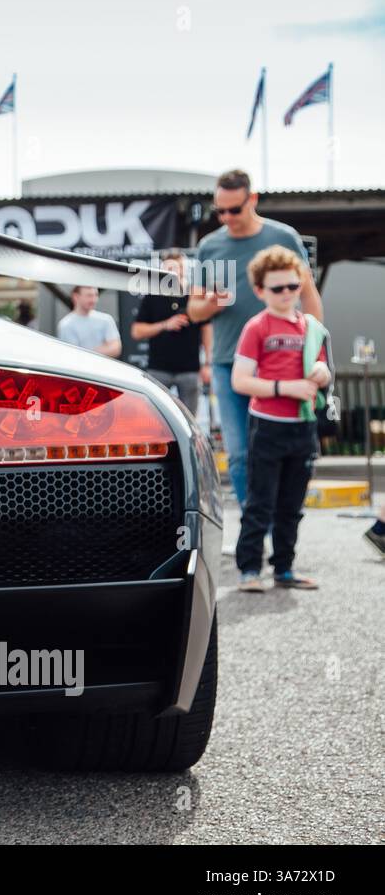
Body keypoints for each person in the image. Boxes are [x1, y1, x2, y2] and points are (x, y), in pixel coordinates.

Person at [188, 169, 323, 509]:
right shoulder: (210, 246)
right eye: (220, 211)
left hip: (282, 360)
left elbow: (308, 295)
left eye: (235, 209)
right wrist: (209, 304)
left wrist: (316, 350)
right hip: (228, 361)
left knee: (281, 450)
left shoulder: (283, 237)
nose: (227, 218)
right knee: (238, 453)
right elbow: (194, 312)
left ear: (253, 200)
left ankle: (279, 527)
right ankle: (254, 526)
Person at [230, 246, 331, 592]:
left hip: (304, 427)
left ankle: (284, 569)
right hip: (268, 426)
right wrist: (286, 387)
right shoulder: (256, 327)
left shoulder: (311, 327)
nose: (287, 294)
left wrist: (321, 373)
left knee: (291, 505)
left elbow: (322, 369)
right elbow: (240, 381)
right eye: (278, 288)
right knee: (260, 503)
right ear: (260, 291)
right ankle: (248, 570)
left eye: (293, 286)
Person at [132, 249, 212, 416]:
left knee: (190, 419)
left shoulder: (194, 295)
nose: (175, 272)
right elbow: (137, 331)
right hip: (159, 369)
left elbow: (206, 329)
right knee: (155, 417)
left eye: (179, 267)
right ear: (162, 269)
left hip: (190, 369)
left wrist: (208, 363)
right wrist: (165, 325)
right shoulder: (152, 296)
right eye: (170, 268)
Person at [56, 285, 121, 358]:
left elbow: (116, 348)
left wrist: (87, 353)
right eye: (89, 296)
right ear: (76, 297)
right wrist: (104, 348)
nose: (93, 300)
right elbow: (73, 355)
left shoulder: (106, 319)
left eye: (95, 295)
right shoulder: (66, 324)